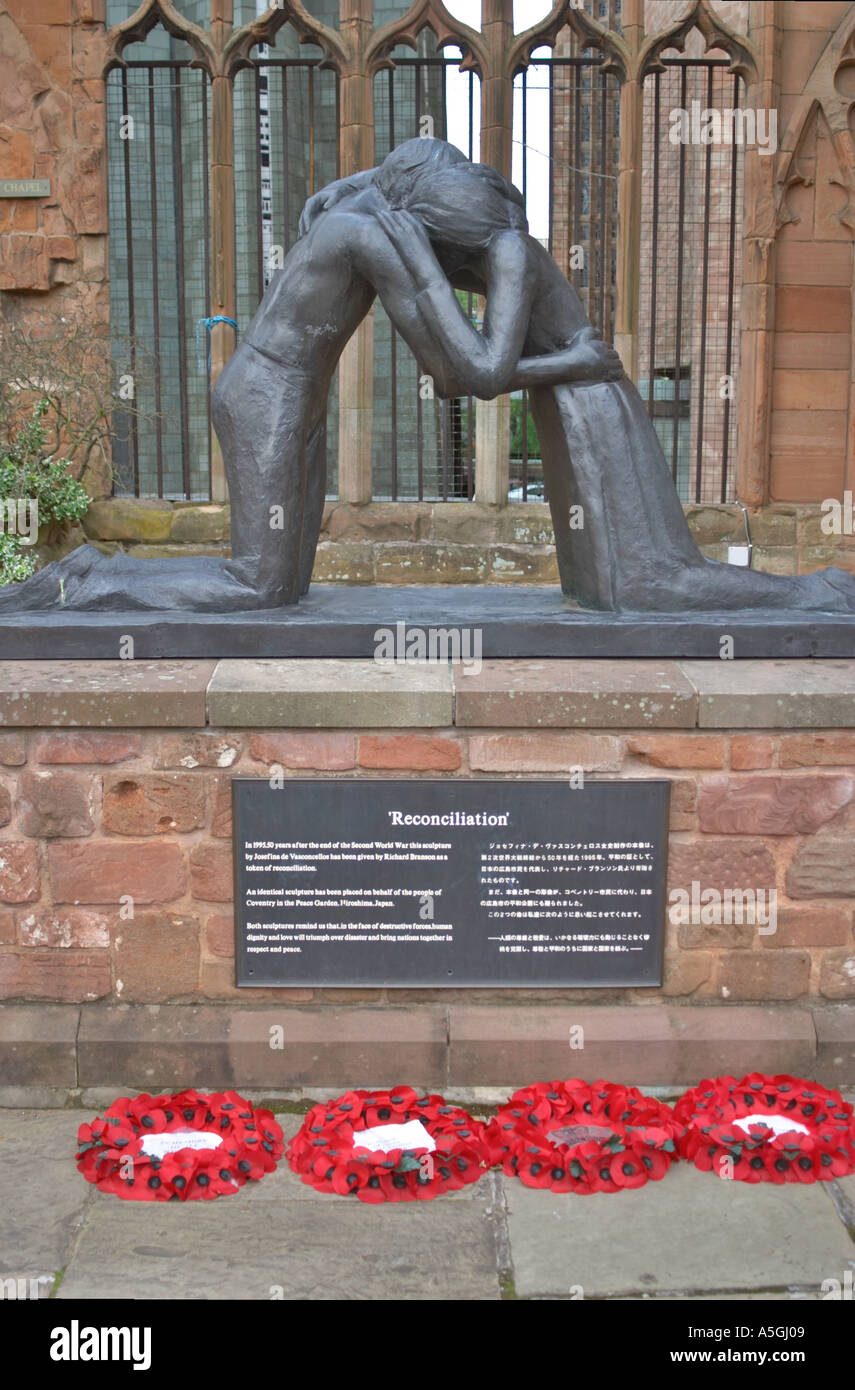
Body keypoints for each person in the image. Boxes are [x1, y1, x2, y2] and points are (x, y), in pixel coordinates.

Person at [0, 139, 620, 613]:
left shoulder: (358, 208)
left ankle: (91, 573)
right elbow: (457, 370)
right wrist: (573, 360)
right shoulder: (373, 237)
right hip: (267, 397)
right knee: (258, 585)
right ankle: (79, 582)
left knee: (283, 588)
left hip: (287, 396)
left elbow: (385, 184)